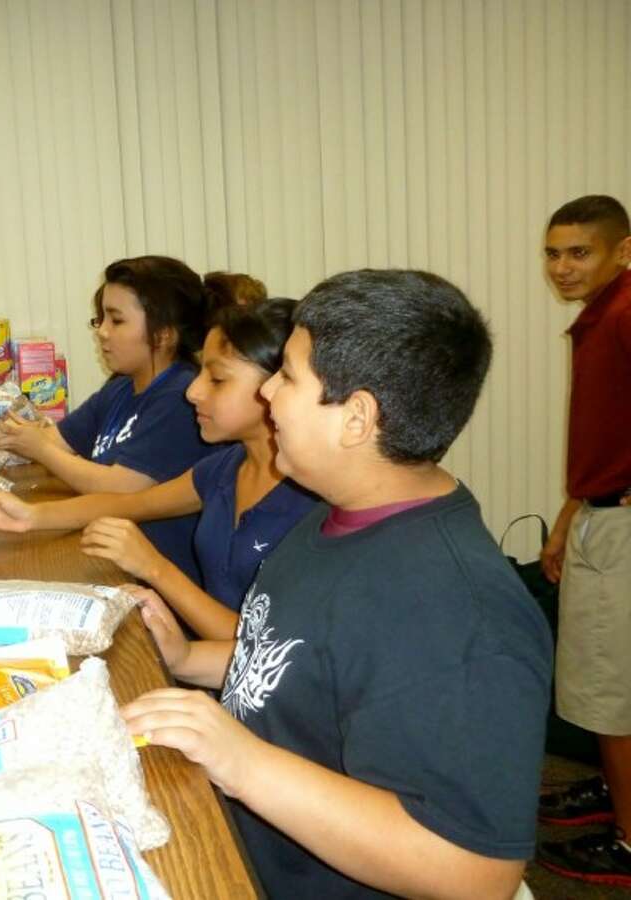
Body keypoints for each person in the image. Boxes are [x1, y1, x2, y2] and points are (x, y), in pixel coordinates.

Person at [121, 269, 553, 898]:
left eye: (289, 375)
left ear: (356, 418)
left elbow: (476, 872)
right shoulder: (331, 514)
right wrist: (186, 658)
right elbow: (300, 667)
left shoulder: (460, 614)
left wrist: (243, 762)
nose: (267, 390)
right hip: (240, 857)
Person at [0, 296, 317, 639]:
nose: (193, 391)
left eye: (218, 380)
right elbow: (128, 502)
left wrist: (154, 567)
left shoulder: (312, 499)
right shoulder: (226, 467)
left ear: (276, 384)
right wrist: (30, 517)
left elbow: (266, 650)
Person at [0, 256, 216, 583]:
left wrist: (41, 449)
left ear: (163, 334)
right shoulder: (122, 387)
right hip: (112, 560)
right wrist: (26, 436)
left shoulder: (181, 396)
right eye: (100, 320)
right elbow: (57, 439)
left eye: (117, 321)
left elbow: (121, 489)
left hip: (155, 581)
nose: (102, 333)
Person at [534, 195, 631, 887]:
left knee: (609, 687)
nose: (563, 267)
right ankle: (619, 793)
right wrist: (570, 516)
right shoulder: (601, 316)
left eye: (579, 253)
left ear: (621, 251)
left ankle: (630, 841)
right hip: (602, 512)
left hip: (623, 525)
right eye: (553, 253)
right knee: (602, 677)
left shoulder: (626, 315)